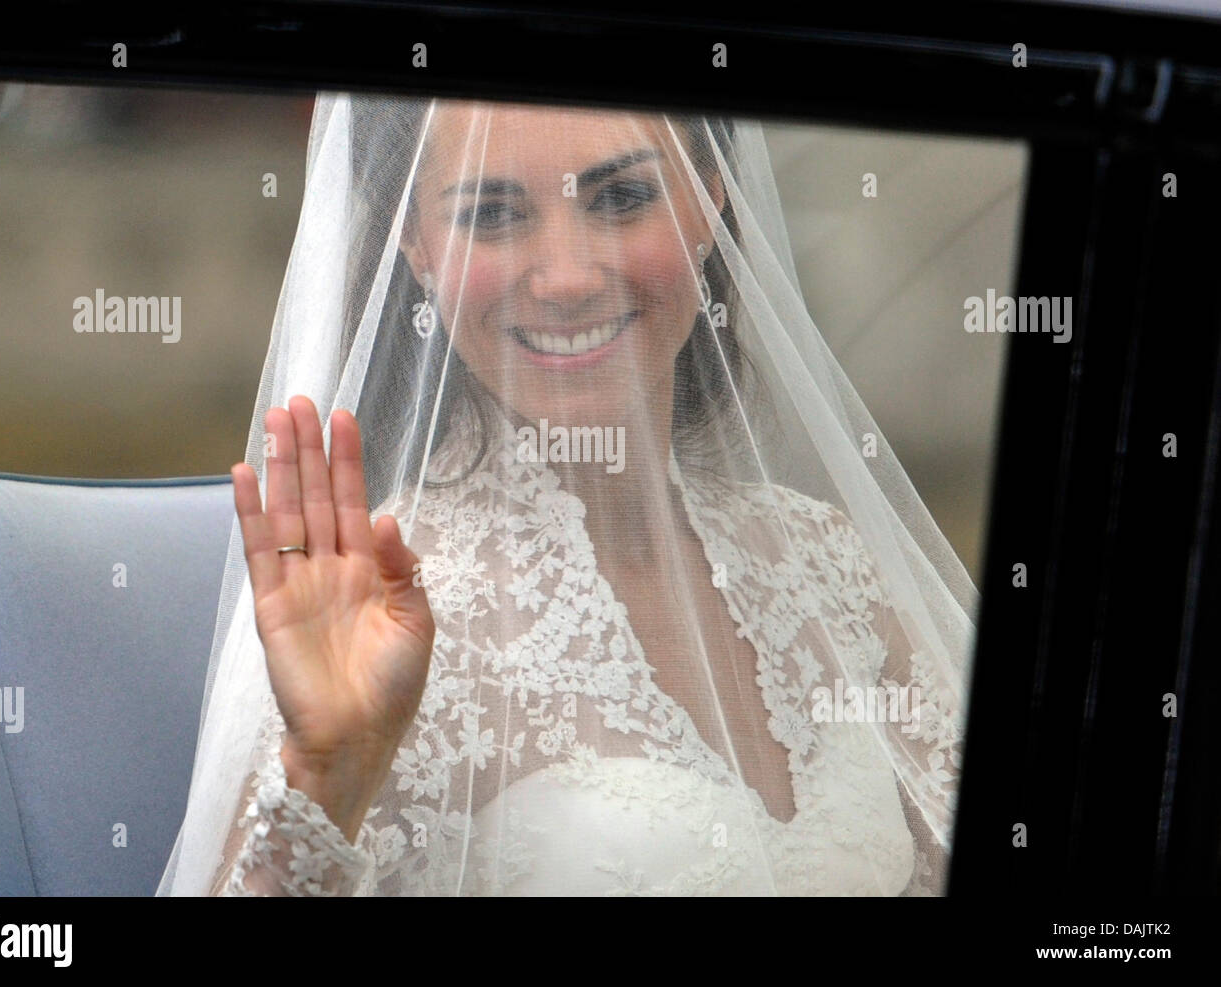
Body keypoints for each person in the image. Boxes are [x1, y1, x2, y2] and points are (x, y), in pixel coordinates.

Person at [157, 91, 978, 896]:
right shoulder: (370, 617)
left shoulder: (825, 562)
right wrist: (325, 777)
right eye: (493, 213)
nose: (567, 278)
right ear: (416, 243)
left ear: (709, 199)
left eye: (620, 197)